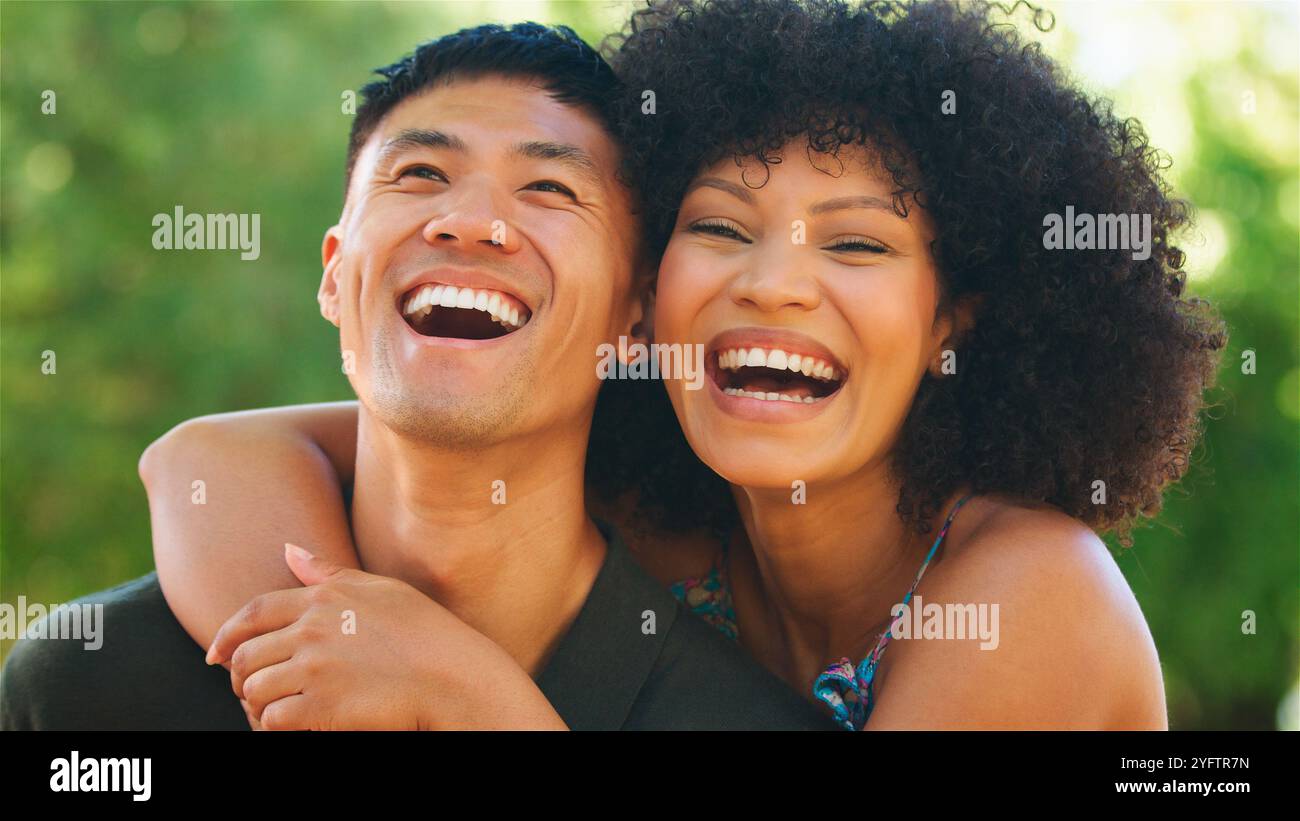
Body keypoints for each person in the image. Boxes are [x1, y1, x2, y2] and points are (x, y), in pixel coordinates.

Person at [114, 0, 1223, 730]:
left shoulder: (1027, 592)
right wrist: (321, 651)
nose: (773, 284)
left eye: (856, 242)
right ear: (643, 298)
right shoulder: (671, 524)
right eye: (721, 226)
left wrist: (466, 696)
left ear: (952, 326)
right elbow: (210, 456)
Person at [0, 21, 836, 732]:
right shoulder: (84, 690)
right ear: (334, 277)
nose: (469, 220)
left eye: (549, 186)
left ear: (635, 320)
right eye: (421, 174)